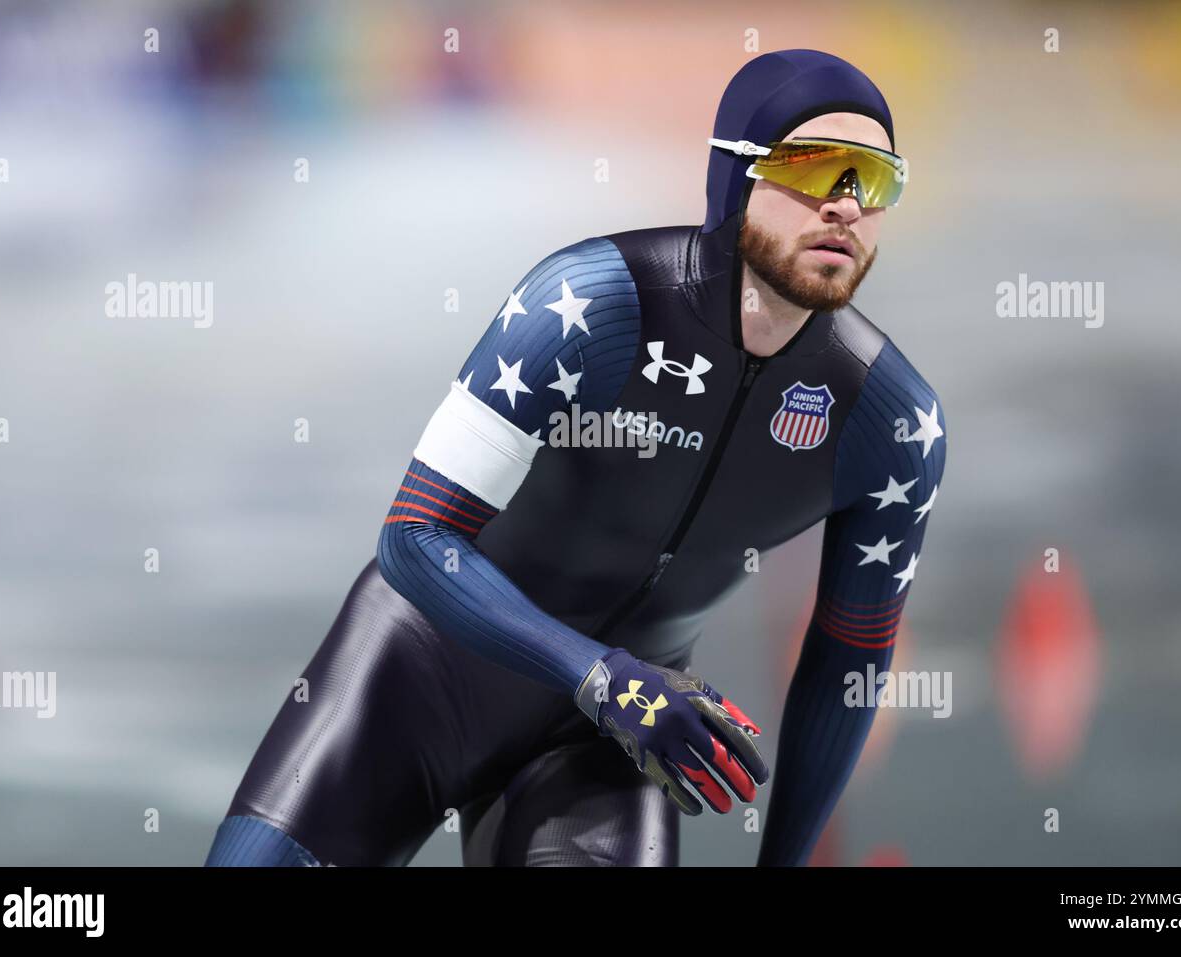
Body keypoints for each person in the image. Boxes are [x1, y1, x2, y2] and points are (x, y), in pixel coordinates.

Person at [206, 48, 945, 867]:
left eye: (874, 180)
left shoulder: (890, 421)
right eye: (816, 167)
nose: (846, 205)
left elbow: (849, 662)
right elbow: (413, 540)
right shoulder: (590, 303)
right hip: (418, 680)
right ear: (735, 179)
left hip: (606, 741)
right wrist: (601, 676)